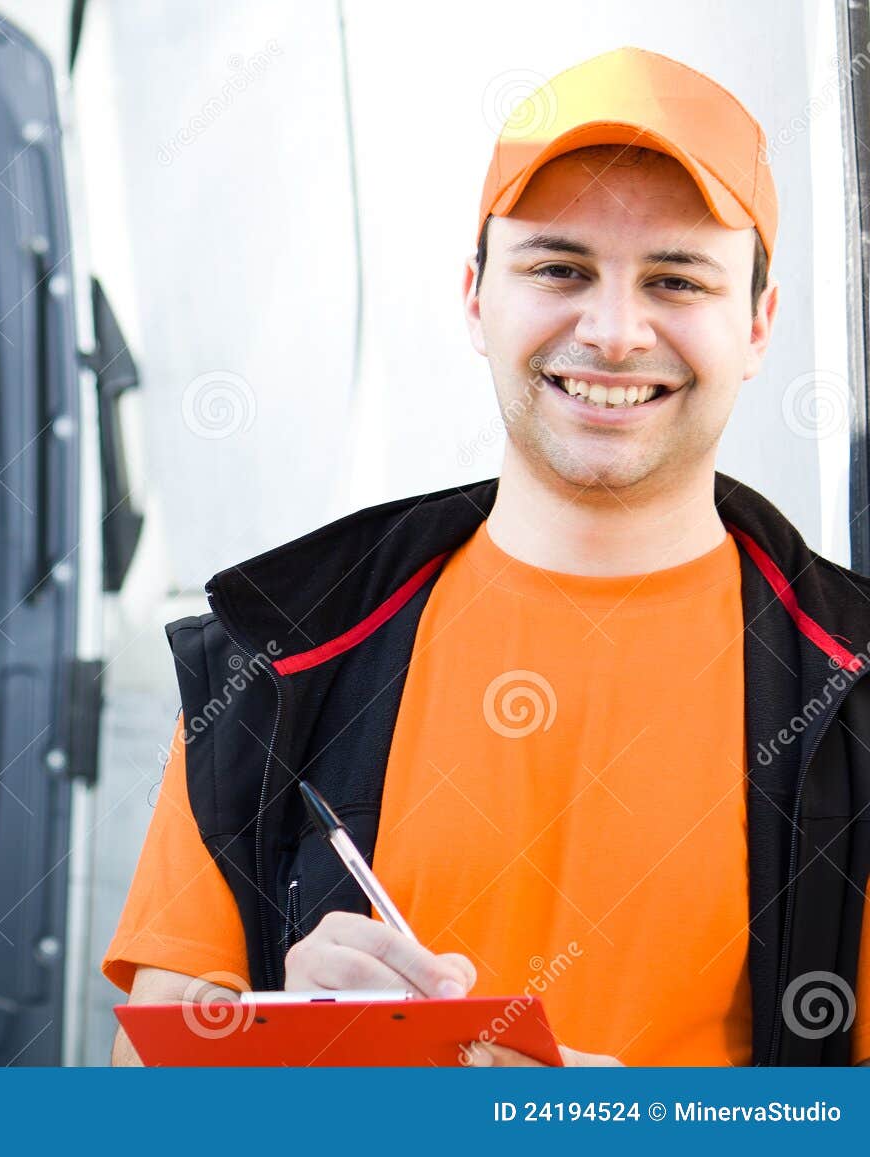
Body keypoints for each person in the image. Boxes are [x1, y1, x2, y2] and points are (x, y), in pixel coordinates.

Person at [105, 45, 870, 1067]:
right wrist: (300, 1051)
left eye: (675, 278)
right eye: (559, 268)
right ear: (474, 296)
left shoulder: (851, 686)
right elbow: (143, 1077)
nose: (611, 330)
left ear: (758, 323)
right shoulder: (284, 646)